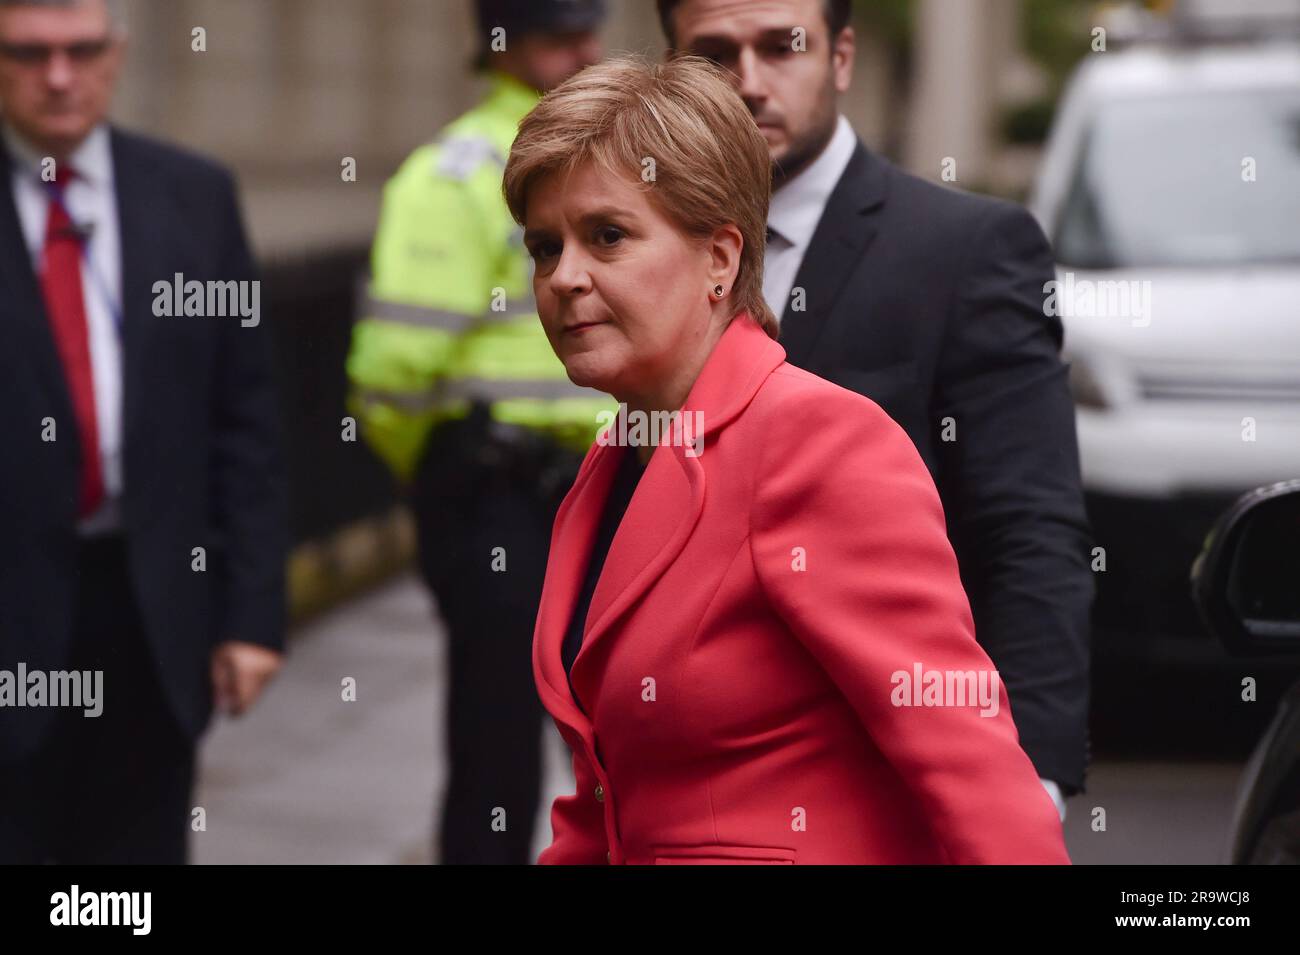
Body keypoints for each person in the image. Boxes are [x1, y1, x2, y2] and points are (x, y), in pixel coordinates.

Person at [504, 54, 1070, 864]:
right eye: (544, 246)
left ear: (720, 259)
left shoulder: (819, 441)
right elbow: (605, 795)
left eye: (607, 236)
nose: (564, 277)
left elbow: (970, 768)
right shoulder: (616, 459)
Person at [658, 0, 1093, 819]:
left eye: (782, 46)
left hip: (889, 774)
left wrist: (1027, 780)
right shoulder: (643, 256)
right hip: (694, 787)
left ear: (842, 57)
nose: (749, 83)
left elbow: (1028, 526)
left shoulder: (968, 250)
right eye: (715, 53)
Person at [0, 0, 287, 863]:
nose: (59, 76)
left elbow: (246, 415)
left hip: (152, 608)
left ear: (116, 53)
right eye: (29, 53)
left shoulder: (193, 195)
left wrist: (251, 613)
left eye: (81, 49)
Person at [344, 0, 611, 864]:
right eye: (561, 32)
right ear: (506, 44)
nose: (585, 46)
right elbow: (394, 366)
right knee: (524, 742)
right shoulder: (459, 172)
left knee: (542, 741)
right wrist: (436, 467)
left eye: (588, 27)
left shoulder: (590, 157)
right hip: (503, 488)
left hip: (587, 484)